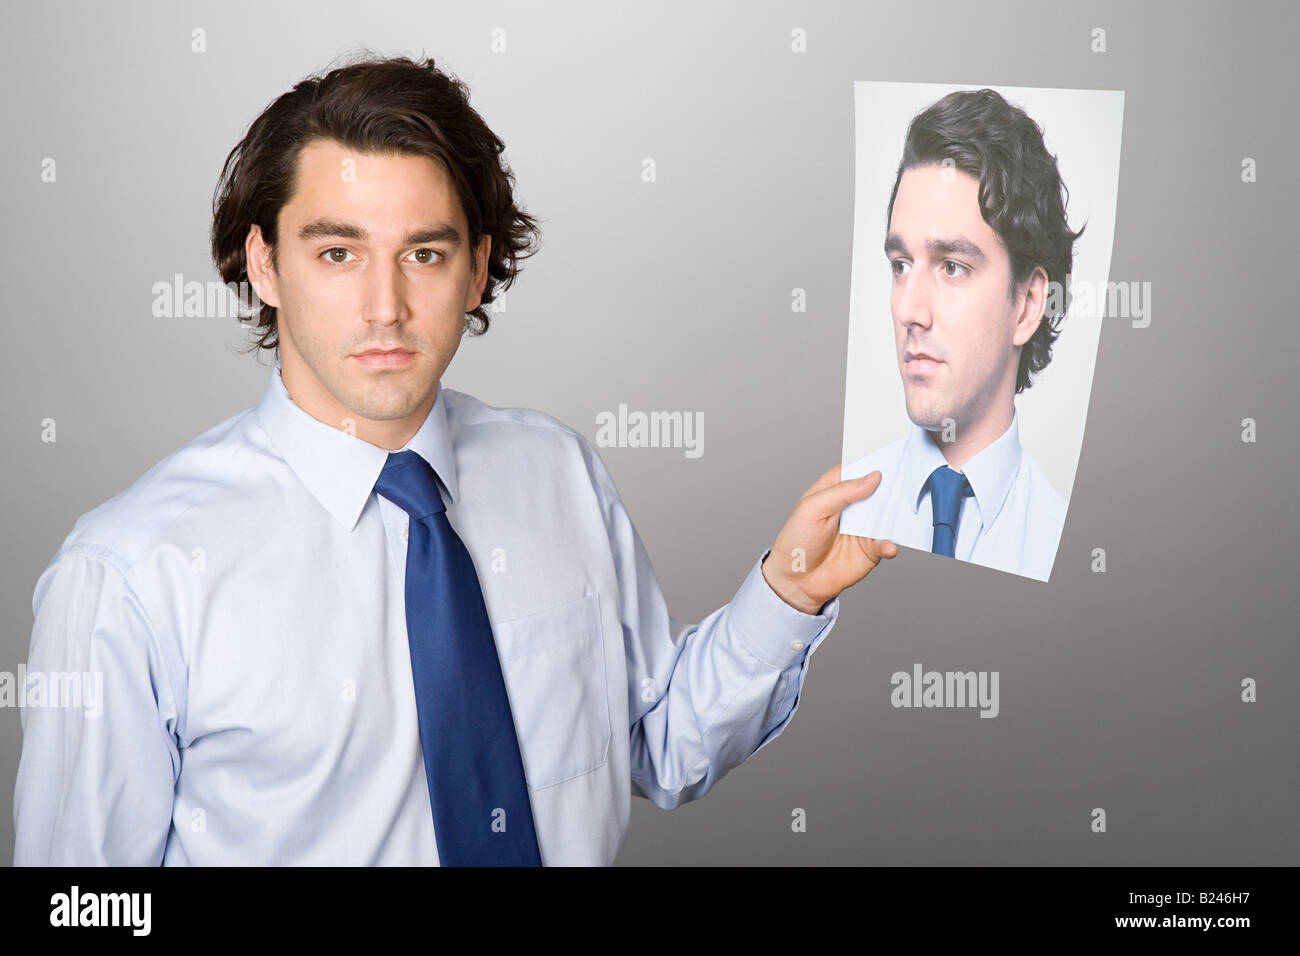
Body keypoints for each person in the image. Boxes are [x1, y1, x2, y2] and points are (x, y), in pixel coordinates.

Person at [12, 54, 896, 866]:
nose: (385, 306)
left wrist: (788, 593)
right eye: (337, 253)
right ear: (265, 266)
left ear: (476, 271)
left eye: (424, 254)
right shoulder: (128, 576)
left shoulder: (556, 473)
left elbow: (657, 743)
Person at [841, 88, 1083, 582]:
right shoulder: (836, 516)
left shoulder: (1063, 545)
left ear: (1029, 305)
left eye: (952, 266)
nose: (909, 310)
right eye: (901, 265)